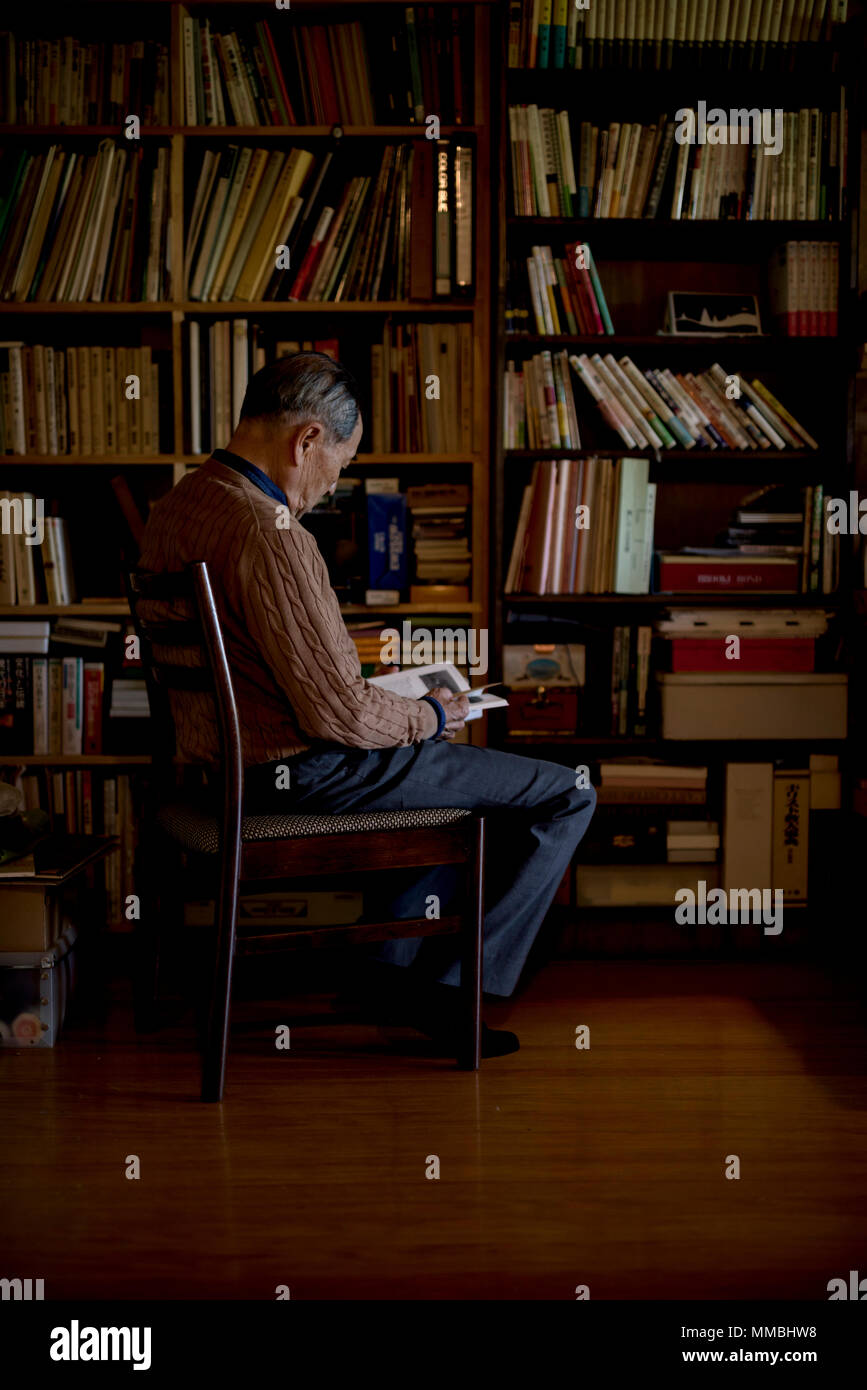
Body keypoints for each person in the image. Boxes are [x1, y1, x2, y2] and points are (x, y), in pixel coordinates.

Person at [138, 352, 596, 1058]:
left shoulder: (177, 506)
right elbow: (338, 717)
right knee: (562, 793)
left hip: (224, 770)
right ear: (307, 441)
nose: (332, 485)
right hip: (302, 771)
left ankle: (392, 971)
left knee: (463, 788)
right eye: (341, 464)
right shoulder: (271, 532)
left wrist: (394, 708)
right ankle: (445, 989)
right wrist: (436, 713)